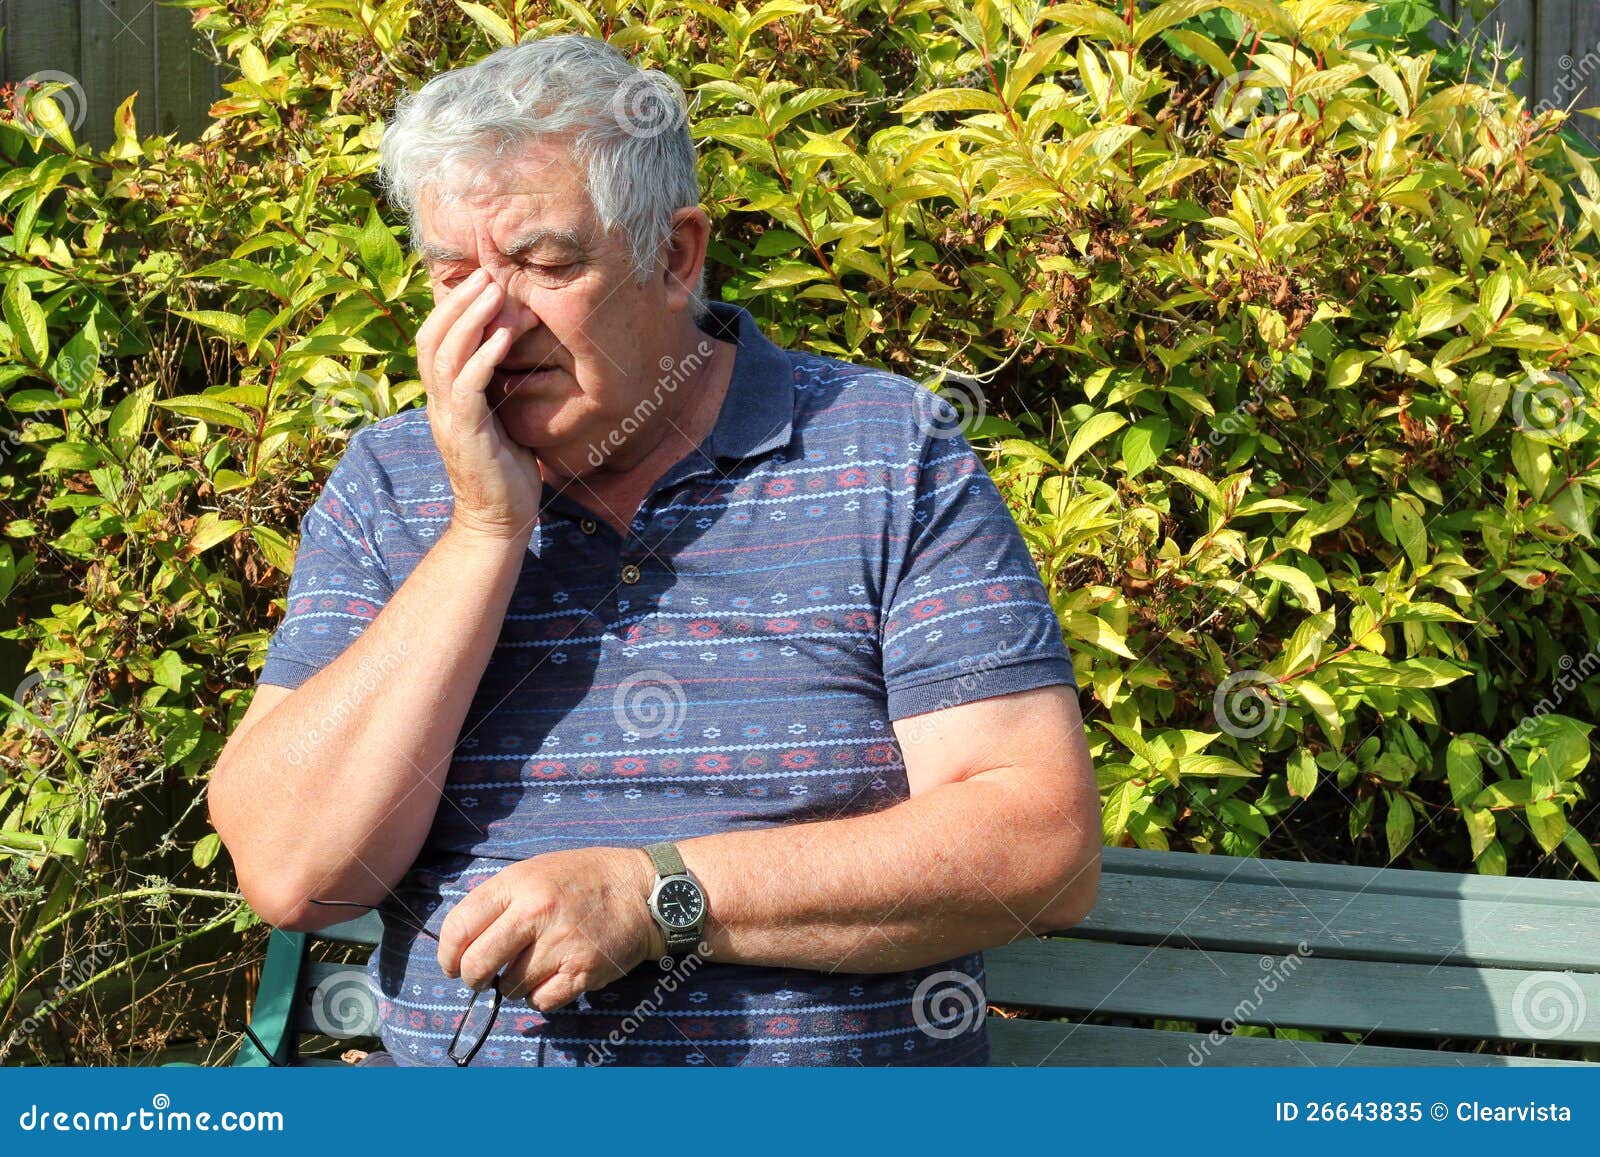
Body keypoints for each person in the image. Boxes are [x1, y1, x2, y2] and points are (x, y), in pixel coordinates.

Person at [208, 33, 1099, 1067]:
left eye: (546, 265)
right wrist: (483, 531)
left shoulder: (885, 453)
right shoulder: (394, 484)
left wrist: (659, 894)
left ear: (675, 255)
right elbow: (292, 868)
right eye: (453, 275)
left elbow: (1038, 843)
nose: (491, 322)